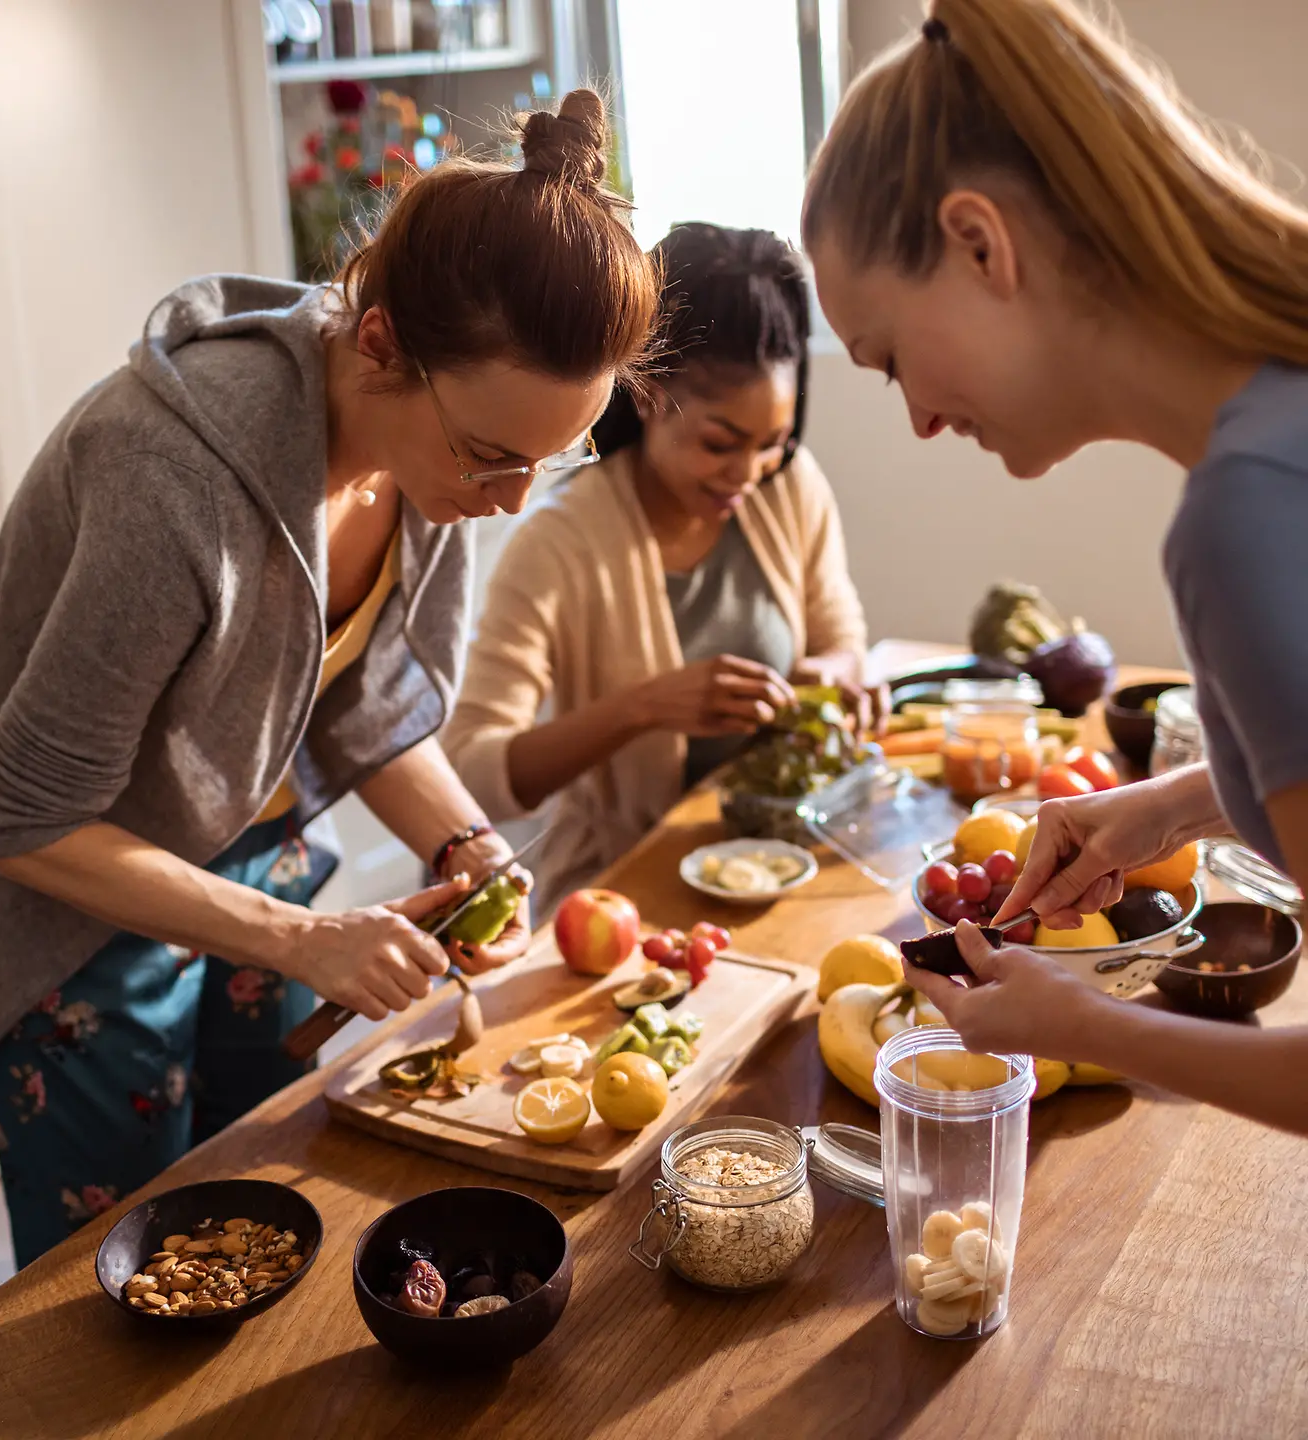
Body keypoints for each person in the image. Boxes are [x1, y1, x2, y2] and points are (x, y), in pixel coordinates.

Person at [0, 90, 660, 1264]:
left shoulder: (439, 458)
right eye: (491, 460)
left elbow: (359, 704)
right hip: (71, 906)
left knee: (252, 1224)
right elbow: (21, 818)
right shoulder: (171, 476)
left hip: (244, 855)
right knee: (120, 1277)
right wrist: (299, 939)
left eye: (547, 464)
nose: (512, 503)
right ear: (380, 346)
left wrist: (473, 850)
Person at [800, 0, 1308, 1134]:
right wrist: (1184, 805)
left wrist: (1086, 1026)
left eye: (887, 358)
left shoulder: (1248, 516)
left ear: (981, 245)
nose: (920, 419)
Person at [443, 223, 868, 914]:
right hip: (626, 893)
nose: (748, 473)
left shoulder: (787, 486)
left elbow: (839, 634)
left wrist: (840, 674)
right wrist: (642, 708)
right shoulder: (558, 543)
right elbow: (473, 770)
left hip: (782, 862)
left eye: (773, 443)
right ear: (645, 395)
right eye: (720, 442)